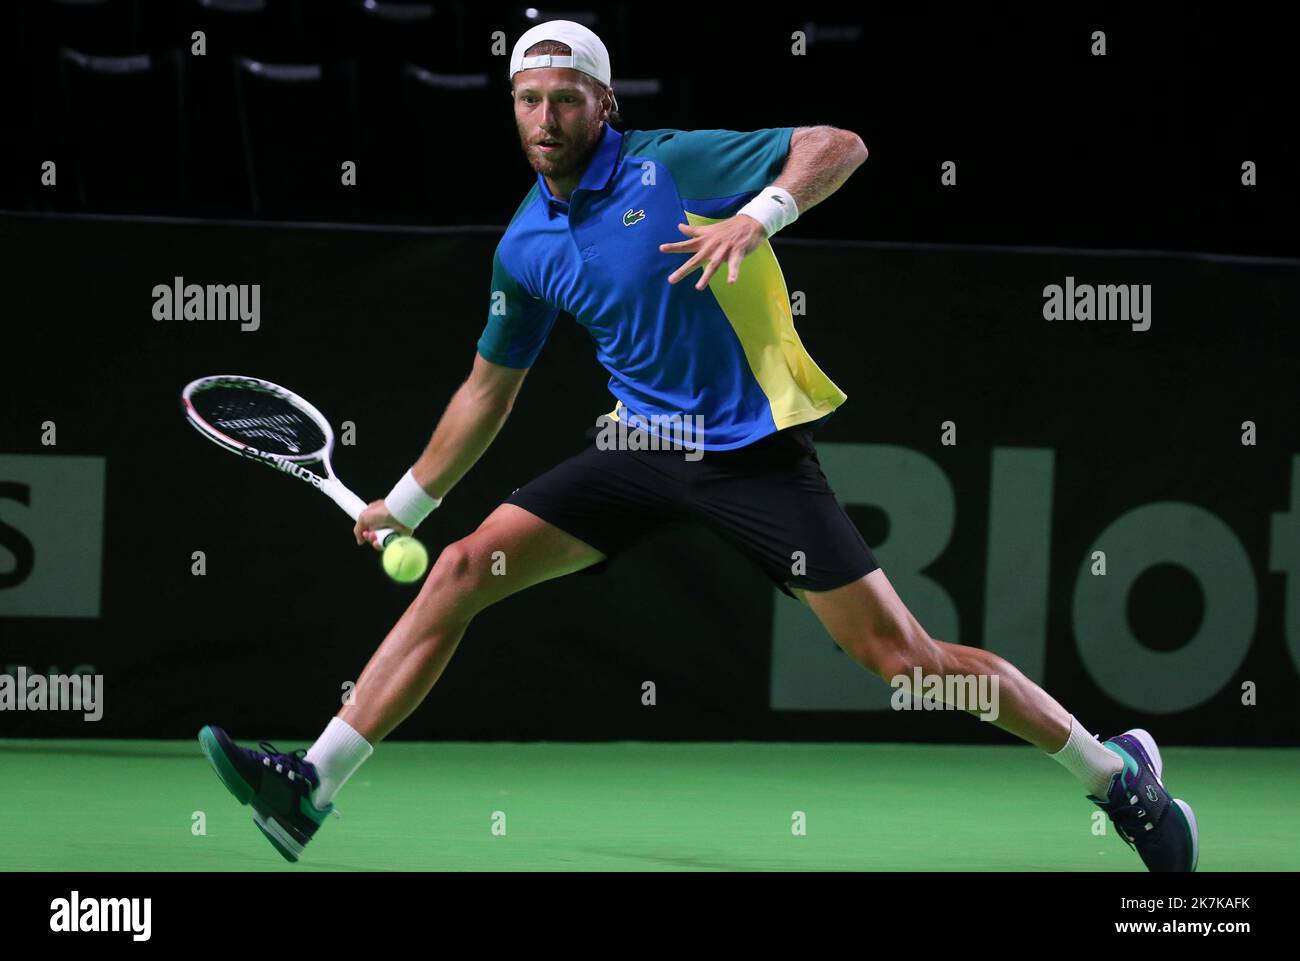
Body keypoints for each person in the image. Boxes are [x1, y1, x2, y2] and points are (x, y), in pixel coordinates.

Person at [199, 20, 1198, 871]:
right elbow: (487, 390)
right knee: (456, 571)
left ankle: (1116, 778)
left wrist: (759, 217)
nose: (543, 120)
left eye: (564, 100)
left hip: (750, 457)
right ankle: (310, 787)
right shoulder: (524, 244)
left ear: (604, 104)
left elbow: (838, 143)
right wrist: (407, 506)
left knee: (902, 660)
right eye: (525, 100)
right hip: (637, 447)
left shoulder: (673, 163)